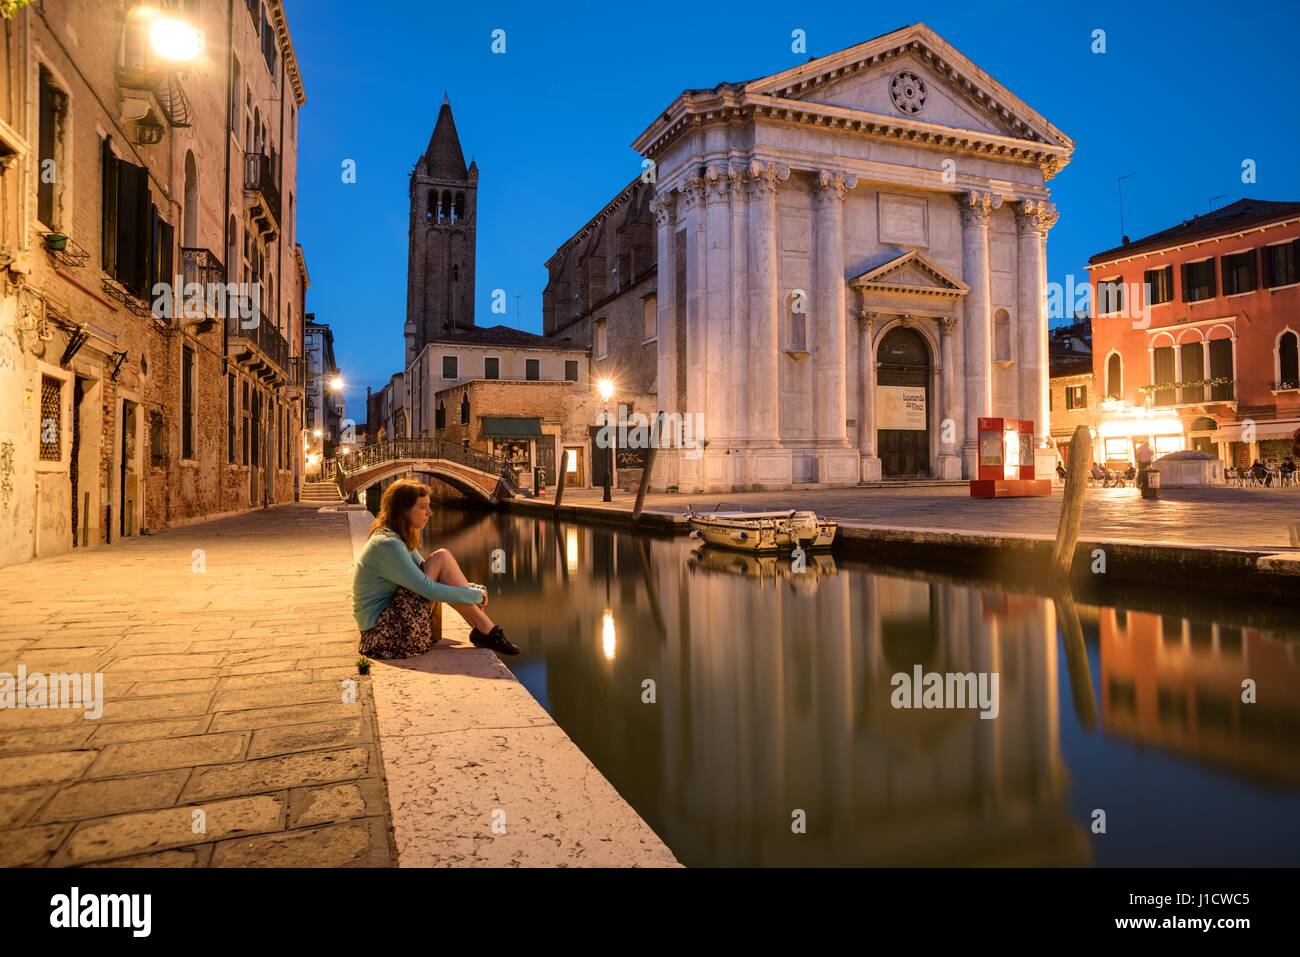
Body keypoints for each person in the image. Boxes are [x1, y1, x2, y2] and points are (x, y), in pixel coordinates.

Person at [352, 479, 520, 658]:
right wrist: (475, 595)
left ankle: (485, 630)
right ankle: (487, 630)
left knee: (441, 558)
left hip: (391, 624)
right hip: (384, 635)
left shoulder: (396, 537)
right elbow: (427, 589)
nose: (430, 513)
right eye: (423, 507)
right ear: (403, 510)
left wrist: (472, 589)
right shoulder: (388, 544)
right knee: (441, 557)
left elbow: (429, 575)